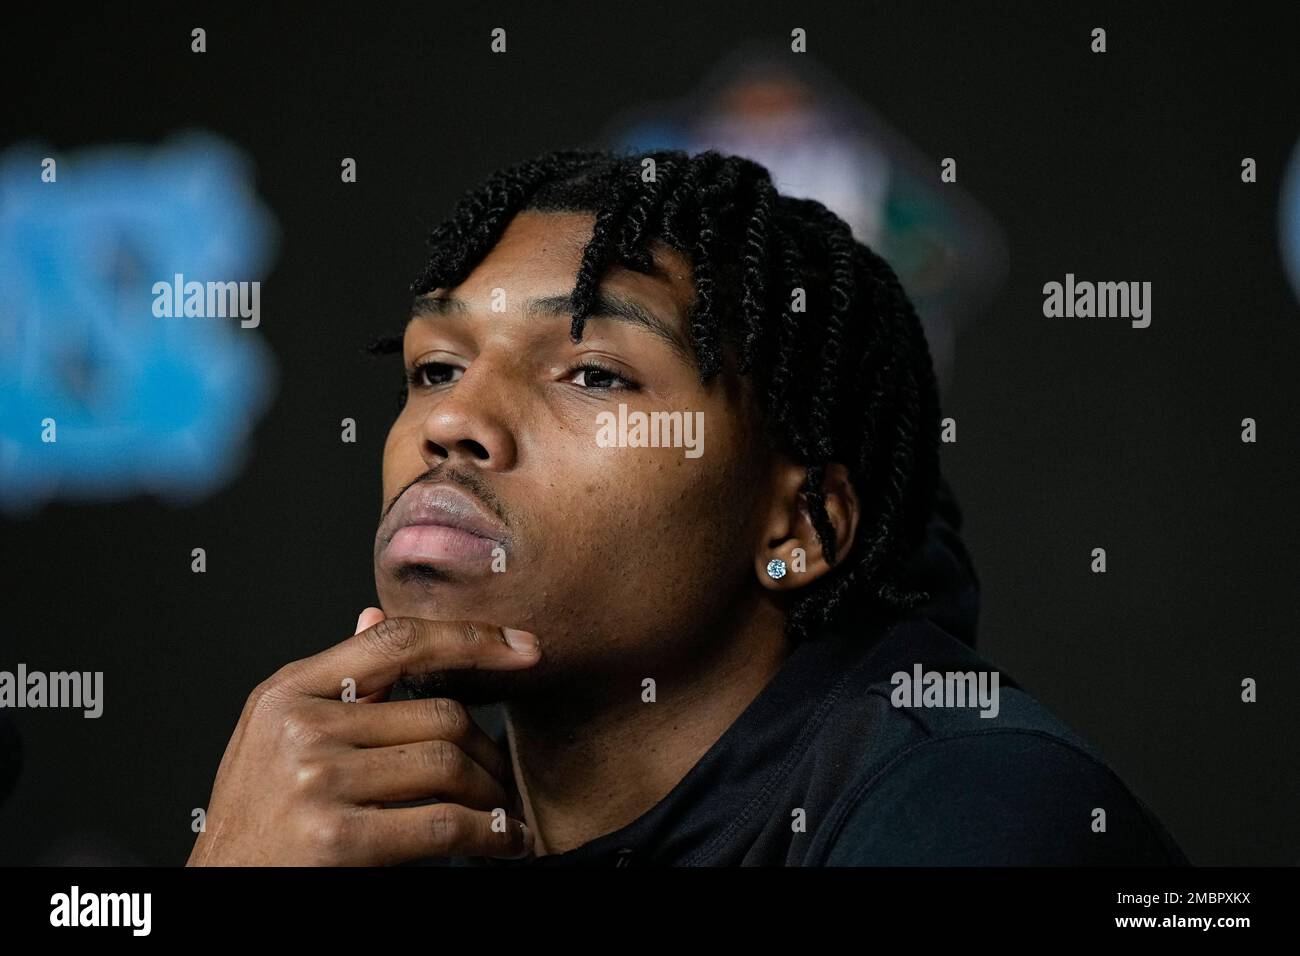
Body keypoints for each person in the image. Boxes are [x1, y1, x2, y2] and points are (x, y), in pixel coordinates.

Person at [186, 148, 1187, 866]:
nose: (452, 420)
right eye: (435, 365)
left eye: (593, 374)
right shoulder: (382, 829)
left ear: (802, 527)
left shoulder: (973, 806)